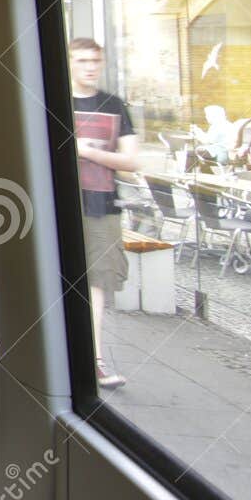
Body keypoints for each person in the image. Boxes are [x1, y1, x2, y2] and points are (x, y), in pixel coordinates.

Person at [69, 38, 139, 390]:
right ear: (69, 63)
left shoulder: (114, 105)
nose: (89, 67)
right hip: (62, 206)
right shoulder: (55, 103)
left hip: (102, 206)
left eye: (94, 61)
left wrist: (86, 152)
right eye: (81, 61)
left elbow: (130, 164)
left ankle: (92, 358)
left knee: (96, 283)